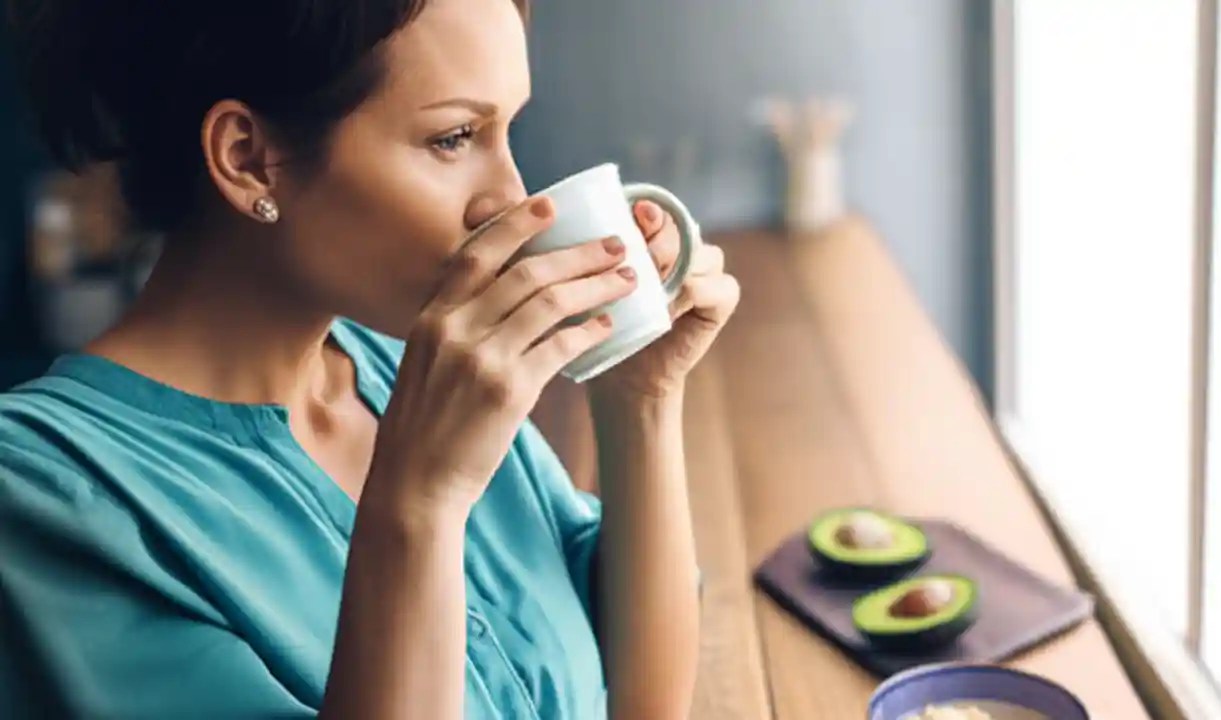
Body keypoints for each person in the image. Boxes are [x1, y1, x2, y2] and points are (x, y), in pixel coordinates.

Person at [0, 0, 739, 717]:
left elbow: (645, 705)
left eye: (507, 130)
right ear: (249, 160)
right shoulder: (44, 492)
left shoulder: (412, 370)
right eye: (454, 138)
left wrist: (638, 396)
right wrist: (418, 505)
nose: (510, 199)